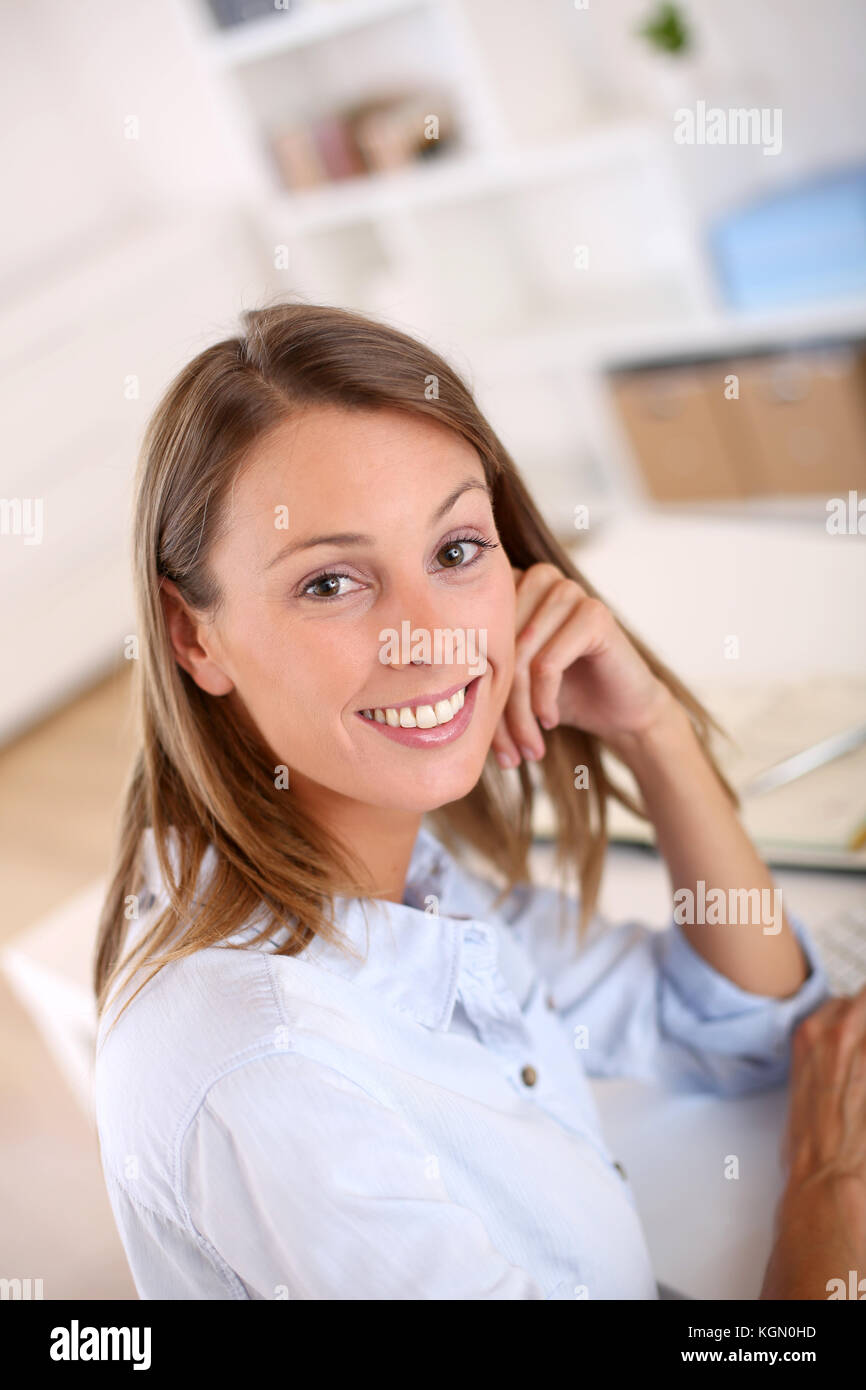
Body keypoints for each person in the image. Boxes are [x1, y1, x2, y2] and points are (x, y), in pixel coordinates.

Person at [92, 300, 865, 1300]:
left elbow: (745, 1023)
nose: (434, 637)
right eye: (331, 582)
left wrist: (651, 733)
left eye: (454, 551)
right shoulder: (268, 1068)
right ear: (192, 634)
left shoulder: (391, 872)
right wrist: (826, 1195)